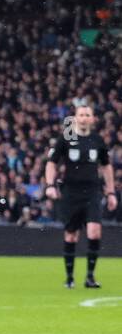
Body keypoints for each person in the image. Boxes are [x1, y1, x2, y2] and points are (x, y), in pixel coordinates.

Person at [45, 101, 116, 288]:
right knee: (71, 235)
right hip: (71, 193)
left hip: (92, 192)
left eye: (87, 115)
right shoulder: (66, 138)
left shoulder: (97, 140)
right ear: (75, 118)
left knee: (94, 231)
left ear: (92, 119)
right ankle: (69, 278)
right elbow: (51, 163)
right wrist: (50, 184)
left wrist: (111, 192)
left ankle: (90, 277)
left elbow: (106, 166)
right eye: (81, 115)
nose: (84, 118)